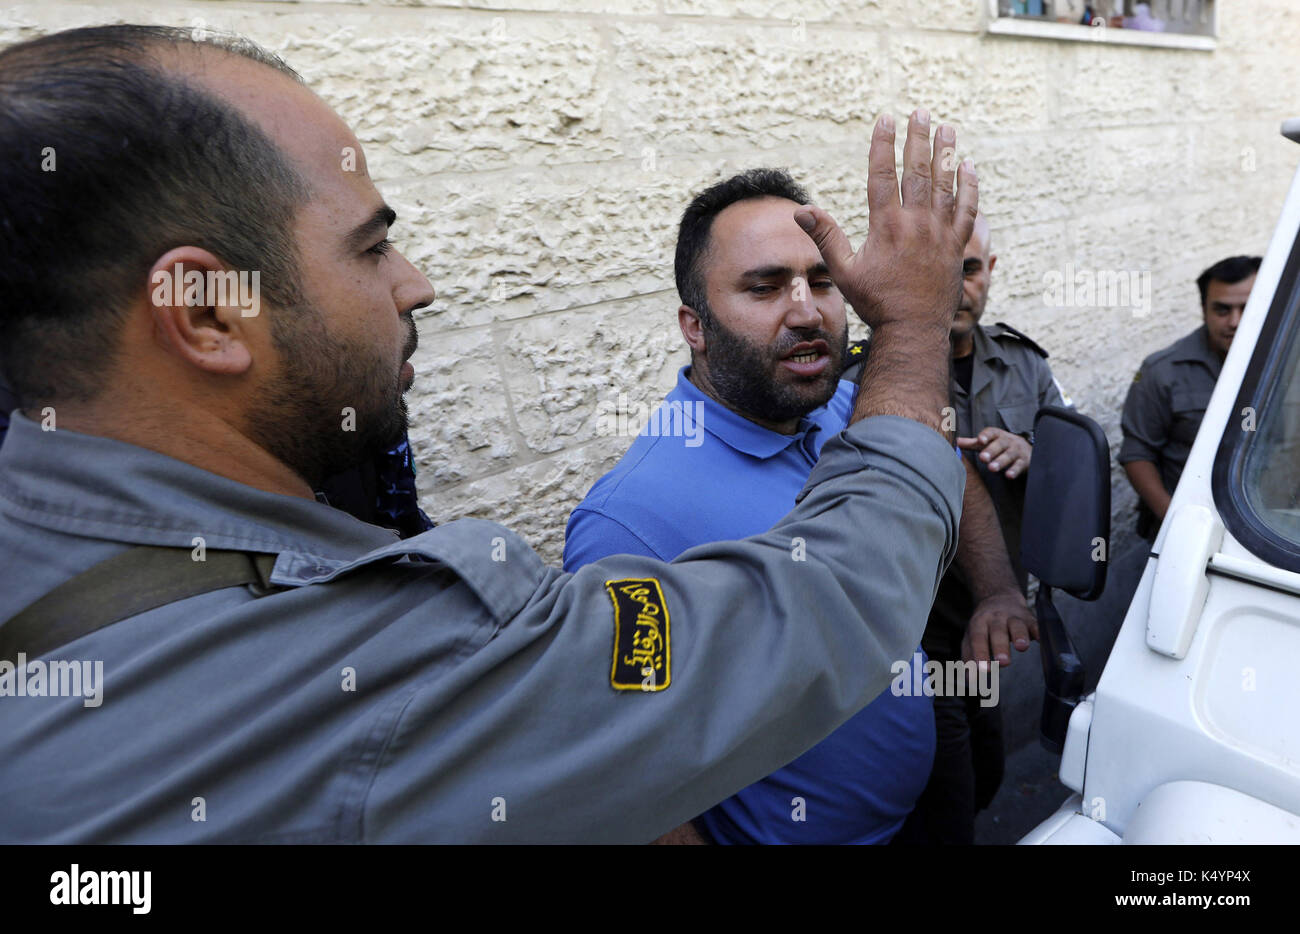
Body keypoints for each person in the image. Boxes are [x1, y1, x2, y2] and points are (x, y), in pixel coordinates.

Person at [0, 25, 977, 842]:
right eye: (370, 245)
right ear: (210, 312)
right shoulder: (387, 662)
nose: (414, 281)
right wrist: (913, 323)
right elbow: (818, 615)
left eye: (814, 281)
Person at [565, 171, 1034, 845]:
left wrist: (995, 591)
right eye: (763, 286)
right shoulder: (630, 524)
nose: (808, 311)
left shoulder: (849, 408)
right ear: (694, 326)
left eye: (821, 281)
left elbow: (949, 468)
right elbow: (629, 774)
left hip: (919, 807)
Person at [844, 213, 1066, 844]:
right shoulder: (859, 373)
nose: (955, 288)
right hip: (907, 627)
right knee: (945, 788)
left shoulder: (1026, 365)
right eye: (938, 273)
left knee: (986, 768)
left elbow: (1075, 456)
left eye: (967, 269)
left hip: (990, 617)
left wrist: (1031, 453)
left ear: (989, 271)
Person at [1119, 255, 1260, 540]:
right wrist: (1177, 526)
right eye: (1222, 310)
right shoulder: (1161, 371)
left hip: (1274, 526)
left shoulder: (1289, 364)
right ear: (1203, 310)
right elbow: (1137, 456)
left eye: (1247, 308)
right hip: (1193, 530)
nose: (1235, 321)